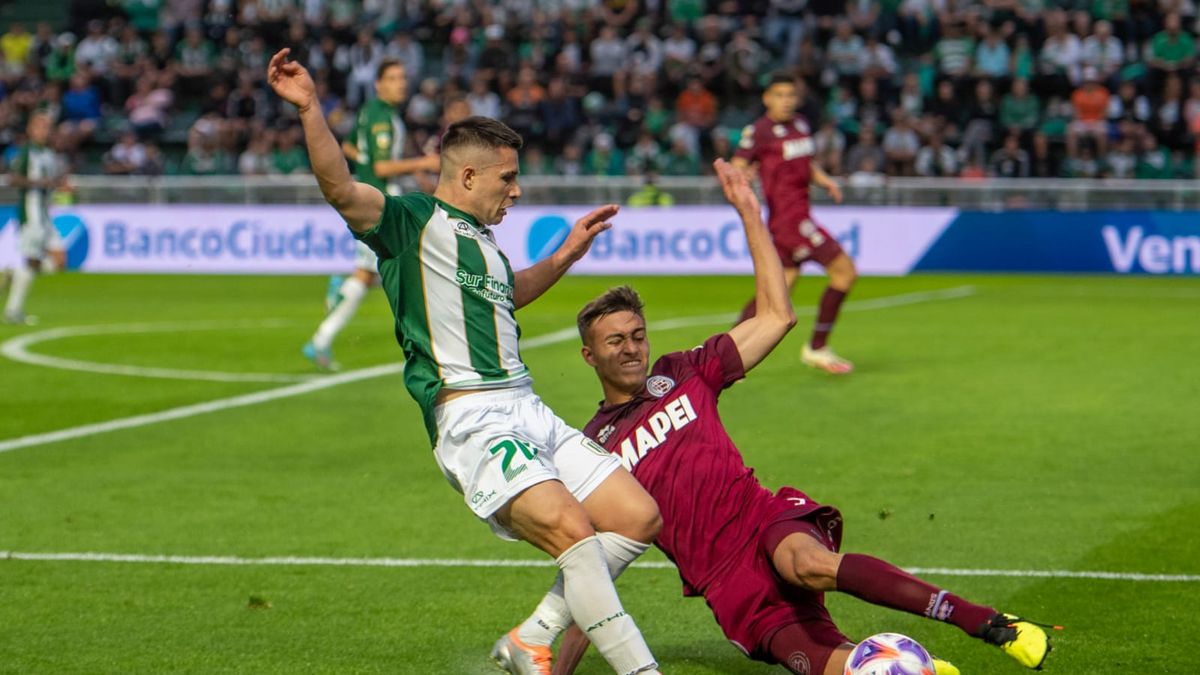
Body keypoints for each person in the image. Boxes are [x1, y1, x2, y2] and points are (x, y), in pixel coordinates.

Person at [527, 160, 1056, 675]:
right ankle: (907, 666)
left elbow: (778, 316)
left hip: (765, 522)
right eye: (615, 341)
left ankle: (989, 623)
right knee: (839, 665)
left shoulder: (683, 372)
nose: (632, 349)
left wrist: (751, 216)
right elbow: (593, 571)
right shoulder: (591, 447)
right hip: (729, 585)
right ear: (589, 356)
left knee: (806, 564)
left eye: (638, 335)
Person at [266, 49, 664, 675]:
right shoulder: (412, 223)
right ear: (470, 177)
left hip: (527, 405)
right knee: (574, 534)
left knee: (636, 516)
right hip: (473, 417)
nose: (518, 188)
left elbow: (511, 292)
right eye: (507, 177)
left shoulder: (484, 244)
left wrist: (567, 254)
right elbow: (341, 188)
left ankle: (532, 637)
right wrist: (311, 108)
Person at [302, 59, 439, 371]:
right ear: (378, 84)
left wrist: (402, 171)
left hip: (375, 200)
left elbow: (350, 148)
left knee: (378, 272)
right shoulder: (382, 117)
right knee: (392, 270)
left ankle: (328, 323)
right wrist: (424, 163)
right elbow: (380, 167)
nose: (400, 83)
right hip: (379, 206)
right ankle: (322, 337)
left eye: (403, 77)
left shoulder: (372, 113)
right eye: (393, 78)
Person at [732, 72, 856, 375]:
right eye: (780, 95)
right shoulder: (759, 131)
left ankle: (724, 356)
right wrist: (743, 176)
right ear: (767, 98)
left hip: (798, 216)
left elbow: (805, 162)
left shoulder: (800, 124)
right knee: (844, 273)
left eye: (791, 95)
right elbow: (738, 164)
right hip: (790, 221)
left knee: (777, 290)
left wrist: (825, 180)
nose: (786, 101)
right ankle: (817, 347)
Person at [4, 112, 70, 325]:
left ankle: (15, 274)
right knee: (32, 260)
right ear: (31, 130)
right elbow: (13, 179)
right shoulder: (27, 153)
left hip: (44, 214)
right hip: (30, 214)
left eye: (47, 127)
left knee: (60, 261)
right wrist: (43, 183)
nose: (44, 130)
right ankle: (13, 310)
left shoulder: (49, 154)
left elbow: (51, 181)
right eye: (40, 126)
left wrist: (61, 184)